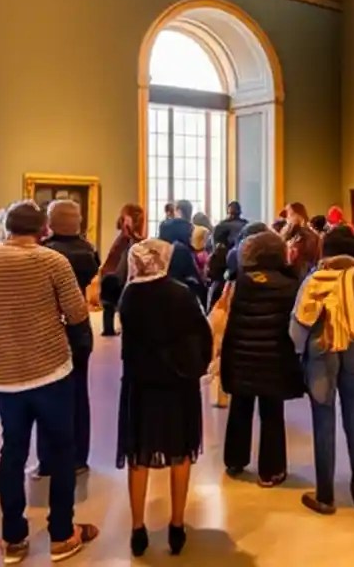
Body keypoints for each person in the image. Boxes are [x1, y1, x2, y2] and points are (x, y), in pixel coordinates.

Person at [0, 201, 96, 563]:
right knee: (61, 451)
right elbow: (76, 313)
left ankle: (13, 538)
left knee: (12, 452)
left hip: (8, 373)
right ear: (43, 229)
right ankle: (61, 534)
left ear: (7, 226)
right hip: (52, 369)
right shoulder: (51, 261)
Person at [116, 239, 212, 557]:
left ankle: (137, 528)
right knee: (181, 453)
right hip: (177, 385)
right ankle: (177, 525)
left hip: (140, 386)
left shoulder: (129, 296)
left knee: (138, 455)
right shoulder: (180, 294)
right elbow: (201, 335)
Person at [292, 225, 354, 515]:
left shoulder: (316, 278)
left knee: (323, 420)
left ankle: (325, 497)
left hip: (323, 352)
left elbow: (300, 322)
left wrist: (298, 354)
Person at [220, 231, 304, 486]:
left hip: (242, 356)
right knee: (272, 415)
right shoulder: (290, 284)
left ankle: (235, 460)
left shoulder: (243, 282)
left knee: (240, 409)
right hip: (274, 359)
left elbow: (232, 324)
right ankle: (271, 470)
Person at [37, 200, 99, 476]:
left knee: (47, 394)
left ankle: (50, 459)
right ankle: (78, 457)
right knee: (78, 394)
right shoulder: (88, 251)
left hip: (50, 329)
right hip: (80, 329)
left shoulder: (45, 253)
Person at [99, 204, 145, 337]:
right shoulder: (128, 238)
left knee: (109, 304)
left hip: (110, 273)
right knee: (118, 303)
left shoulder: (123, 236)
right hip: (117, 275)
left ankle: (110, 329)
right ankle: (118, 329)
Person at [159, 218, 206, 307]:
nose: (190, 237)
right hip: (180, 303)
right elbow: (194, 281)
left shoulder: (161, 248)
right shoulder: (180, 249)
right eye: (189, 234)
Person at [282, 202, 321, 279]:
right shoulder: (290, 233)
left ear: (299, 215)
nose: (287, 218)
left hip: (302, 275)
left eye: (290, 214)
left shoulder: (308, 235)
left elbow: (308, 258)